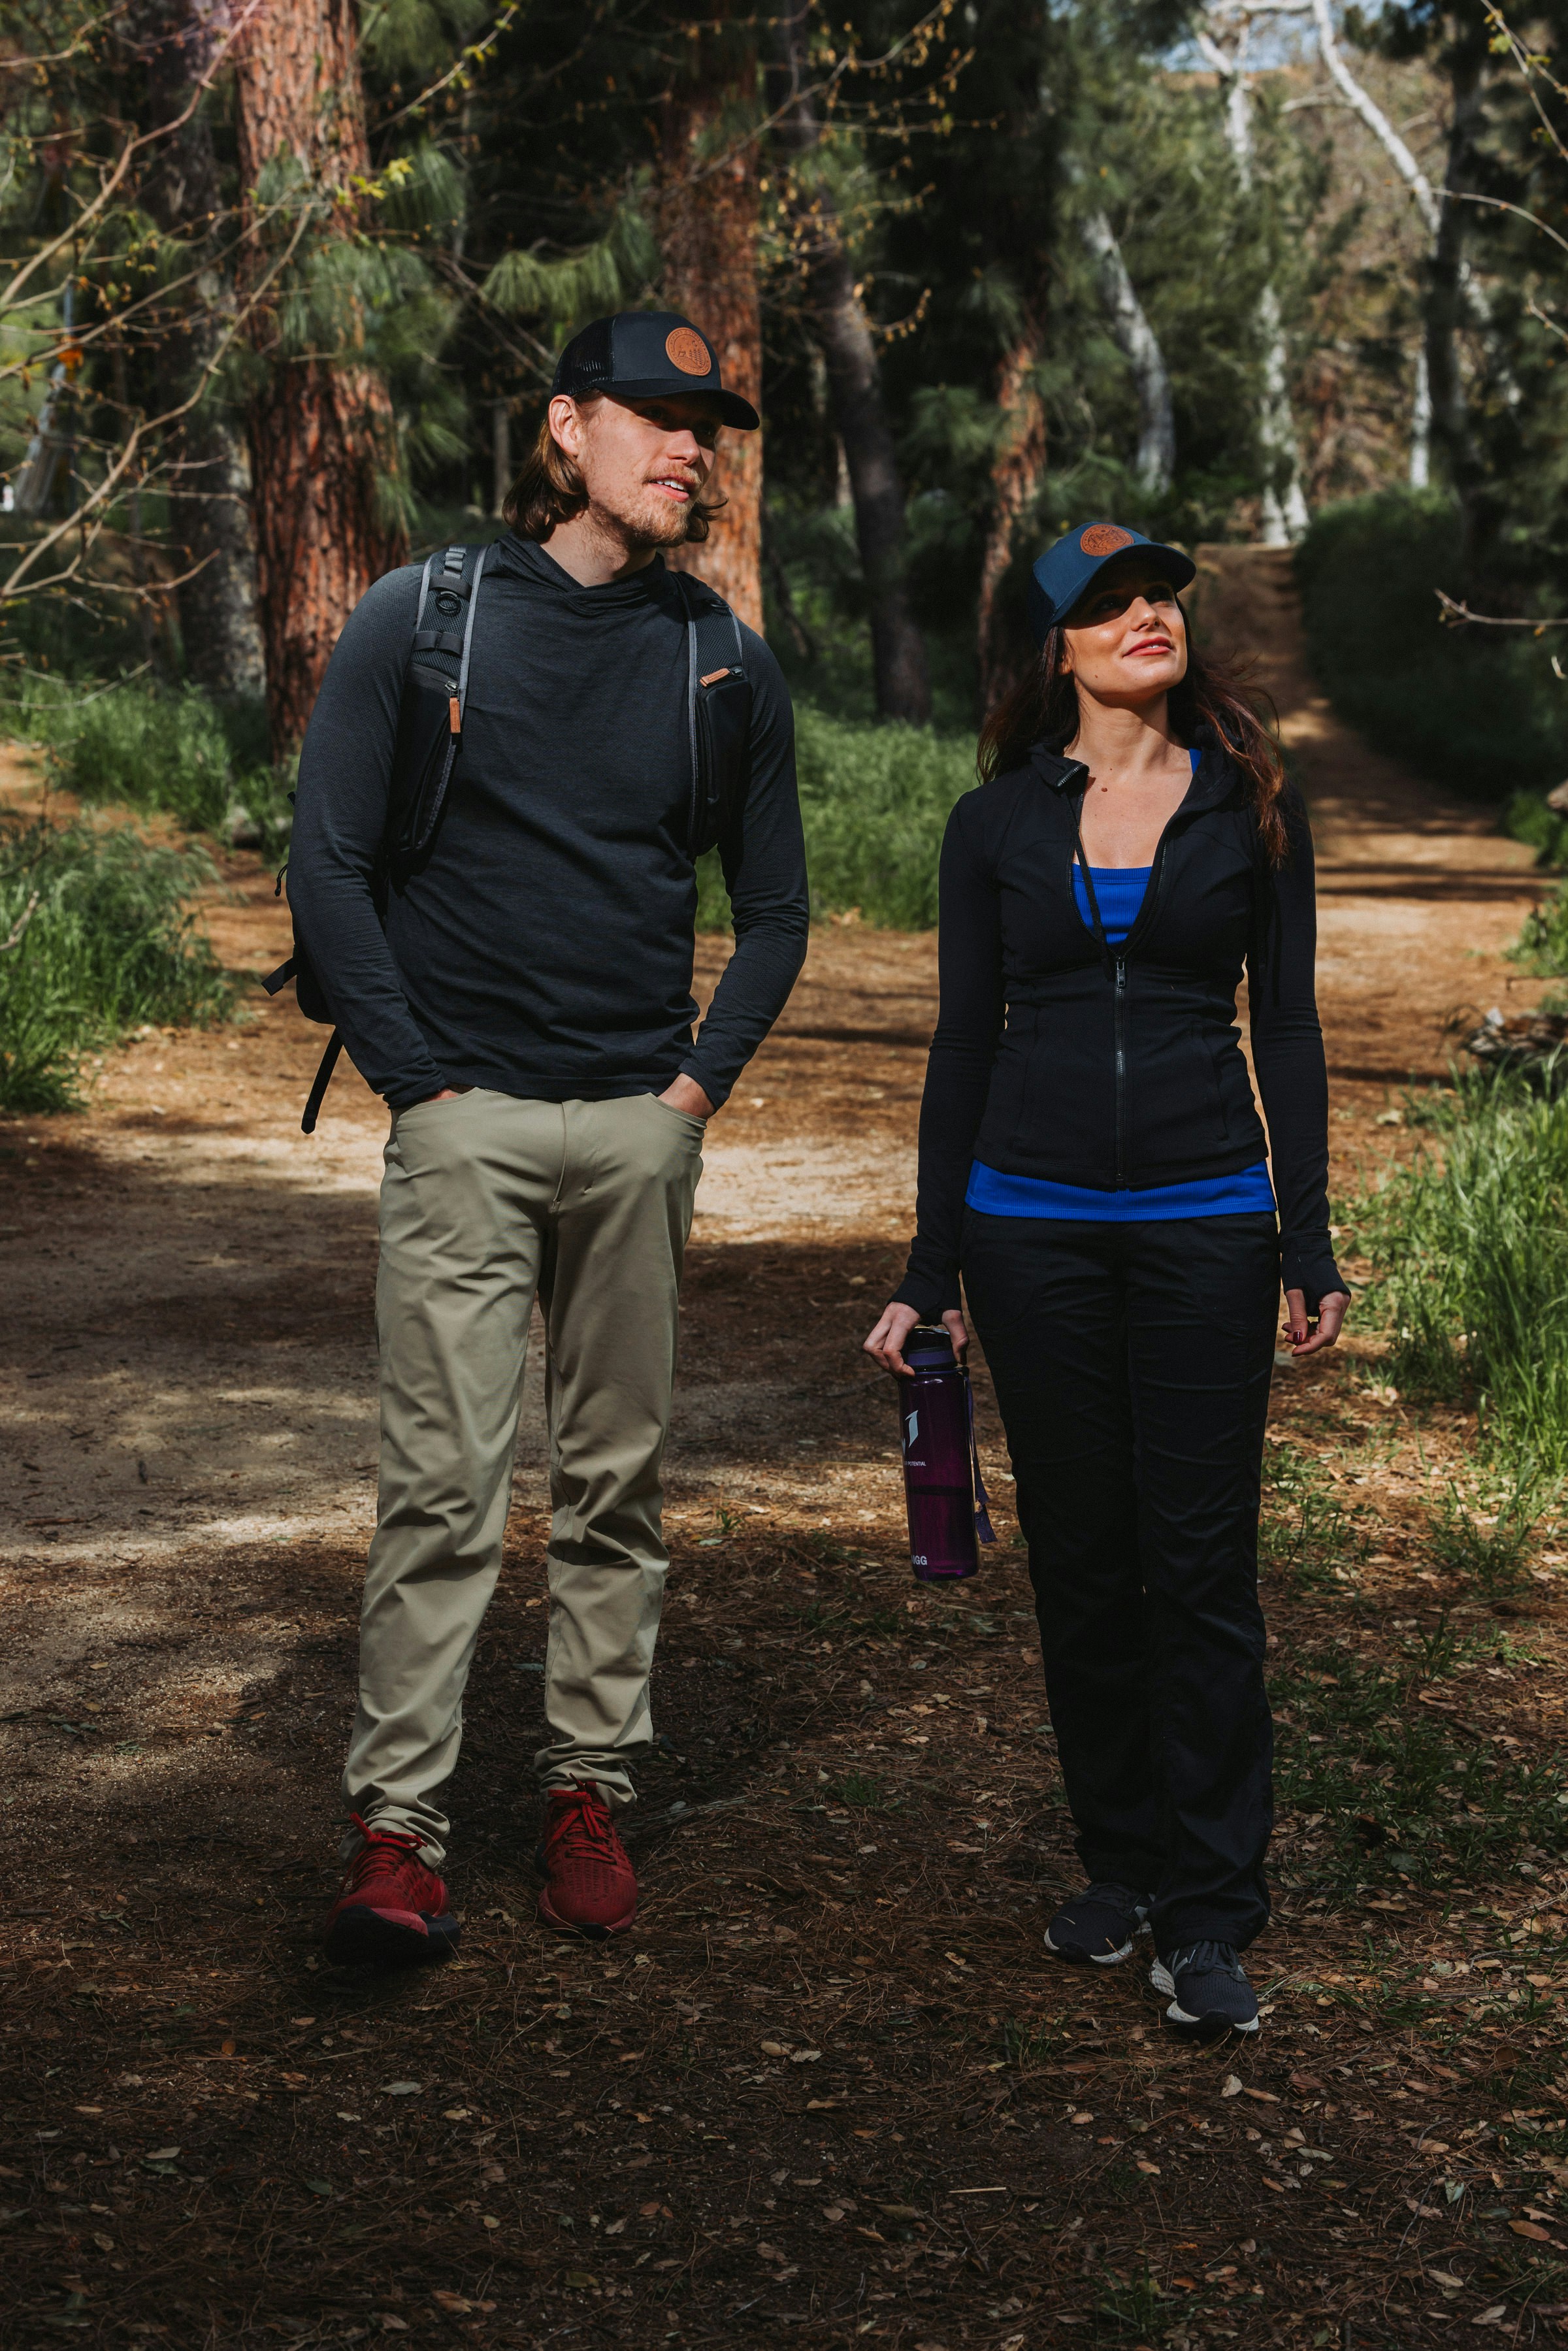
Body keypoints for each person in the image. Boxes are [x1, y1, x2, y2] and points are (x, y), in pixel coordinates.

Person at [288, 310, 809, 1958]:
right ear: (566, 429)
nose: (690, 448)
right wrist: (420, 1086)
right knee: (441, 1490)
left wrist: (688, 1097)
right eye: (656, 417)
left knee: (618, 1487)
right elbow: (328, 864)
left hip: (637, 1128)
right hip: (469, 1123)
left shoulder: (718, 657)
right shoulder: (422, 617)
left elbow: (779, 913)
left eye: (707, 426)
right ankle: (400, 1831)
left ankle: (587, 1787)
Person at [864, 521, 1349, 2039]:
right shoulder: (994, 822)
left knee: (1200, 1569)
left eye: (1161, 597)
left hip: (1210, 1218)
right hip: (1031, 1229)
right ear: (1057, 648)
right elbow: (963, 1043)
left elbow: (1291, 1031)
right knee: (1082, 1559)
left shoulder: (1254, 807)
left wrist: (1308, 1231)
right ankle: (1124, 1862)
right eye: (1109, 603)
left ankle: (1210, 1910)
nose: (1147, 616)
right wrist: (931, 1263)